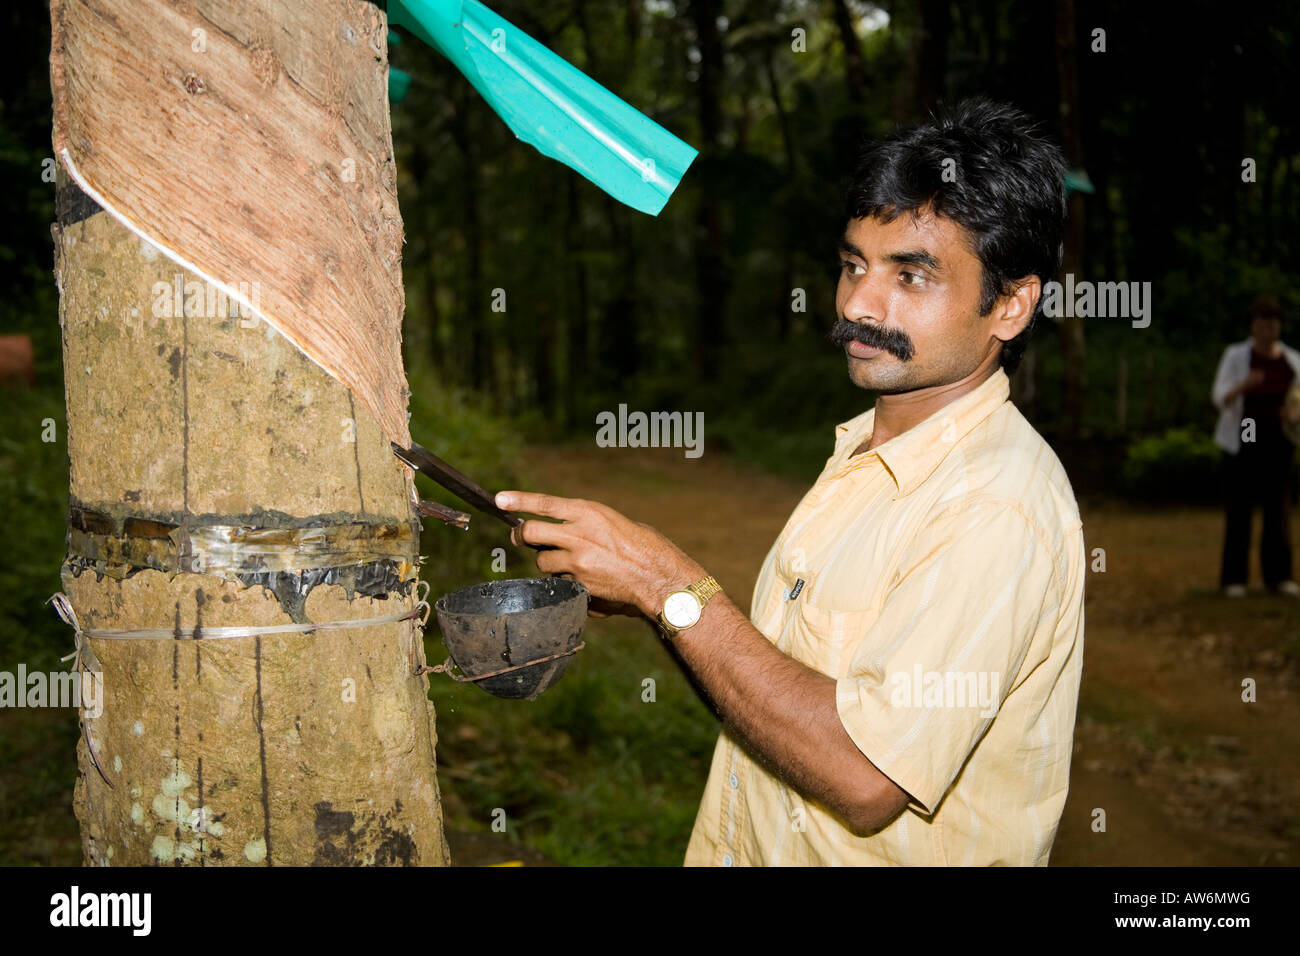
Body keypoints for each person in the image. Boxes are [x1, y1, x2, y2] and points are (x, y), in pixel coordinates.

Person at [495, 99, 1085, 866]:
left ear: (1010, 305)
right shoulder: (869, 455)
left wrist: (665, 583)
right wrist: (659, 604)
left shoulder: (992, 506)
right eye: (852, 265)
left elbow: (866, 775)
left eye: (912, 275)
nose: (859, 304)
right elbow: (786, 691)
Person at [1211, 295, 1300, 598]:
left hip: (1279, 443)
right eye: (1261, 325)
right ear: (1252, 327)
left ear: (1279, 327)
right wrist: (1243, 386)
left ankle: (1280, 577)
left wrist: (1294, 413)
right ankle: (1234, 579)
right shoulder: (1236, 356)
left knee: (1279, 513)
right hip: (1244, 441)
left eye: (1273, 325)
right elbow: (1219, 396)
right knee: (1240, 511)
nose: (1267, 331)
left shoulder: (1292, 360)